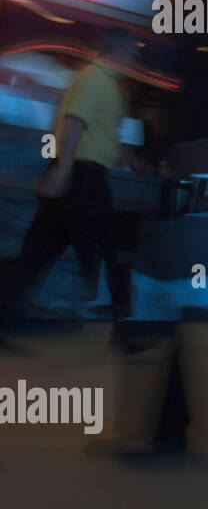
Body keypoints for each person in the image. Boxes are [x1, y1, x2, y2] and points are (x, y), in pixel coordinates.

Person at [0, 27, 145, 352]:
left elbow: (105, 134)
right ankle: (125, 331)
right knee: (116, 250)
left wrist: (133, 163)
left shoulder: (108, 85)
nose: (135, 58)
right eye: (133, 51)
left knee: (35, 256)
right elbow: (74, 122)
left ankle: (123, 331)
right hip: (83, 178)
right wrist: (64, 168)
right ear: (118, 51)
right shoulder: (95, 79)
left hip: (79, 177)